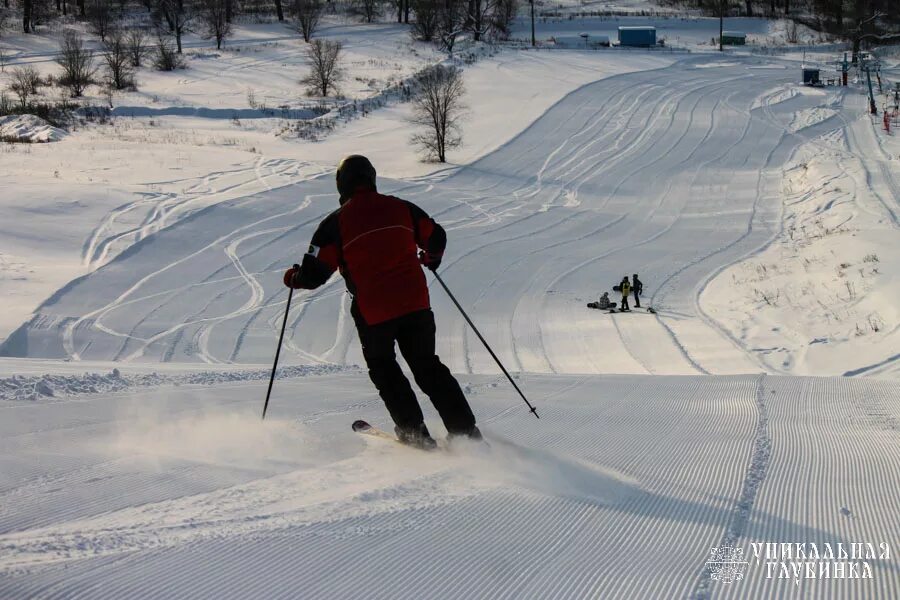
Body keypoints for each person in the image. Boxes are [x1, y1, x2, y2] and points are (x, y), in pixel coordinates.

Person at [283, 155, 480, 450]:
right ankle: (465, 433)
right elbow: (435, 235)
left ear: (342, 185)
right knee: (427, 366)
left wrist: (293, 277)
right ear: (371, 178)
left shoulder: (334, 225)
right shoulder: (401, 207)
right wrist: (431, 257)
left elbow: (313, 276)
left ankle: (415, 434)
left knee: (385, 369)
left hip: (374, 313)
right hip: (416, 305)